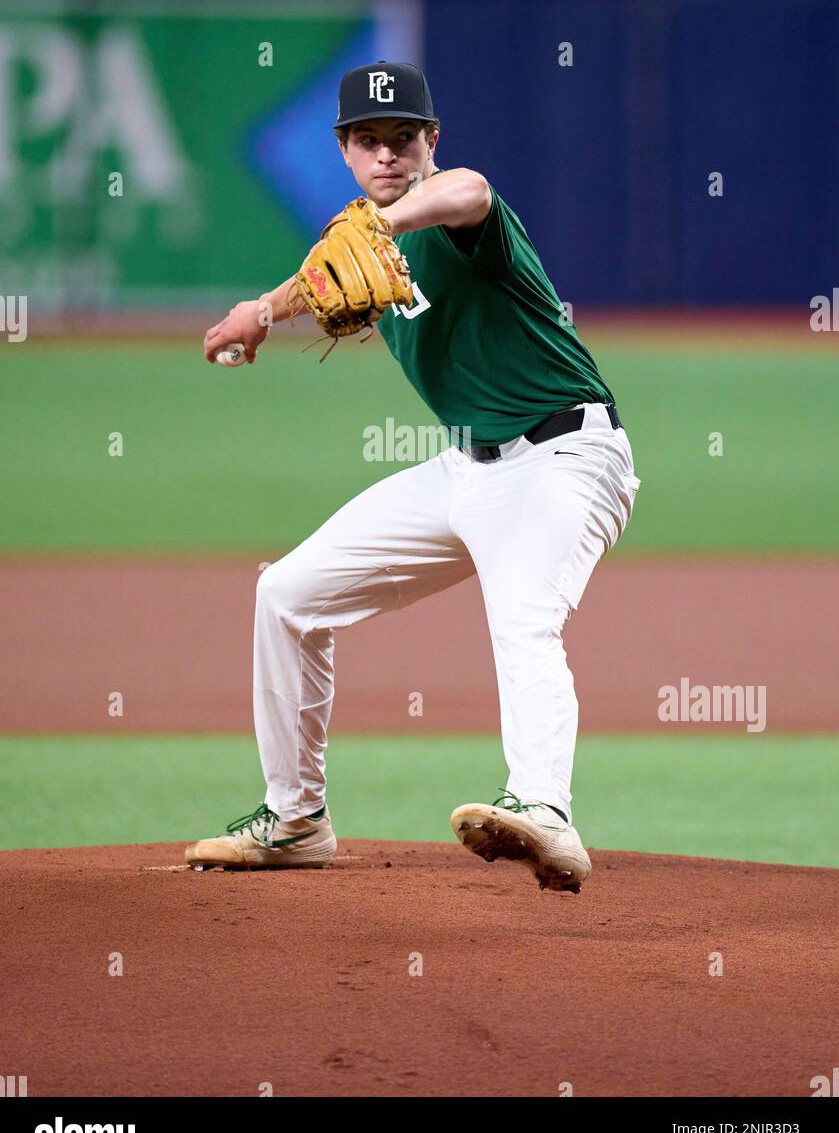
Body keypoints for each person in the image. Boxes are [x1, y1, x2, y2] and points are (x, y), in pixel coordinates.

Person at [187, 61, 640, 894]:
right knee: (286, 595)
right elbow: (320, 272)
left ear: (429, 141)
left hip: (568, 454)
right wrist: (260, 312)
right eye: (369, 140)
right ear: (345, 150)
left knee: (523, 617)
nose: (387, 154)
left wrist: (390, 225)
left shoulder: (457, 212)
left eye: (404, 138)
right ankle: (294, 822)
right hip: (465, 469)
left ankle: (545, 809)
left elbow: (471, 190)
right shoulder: (352, 238)